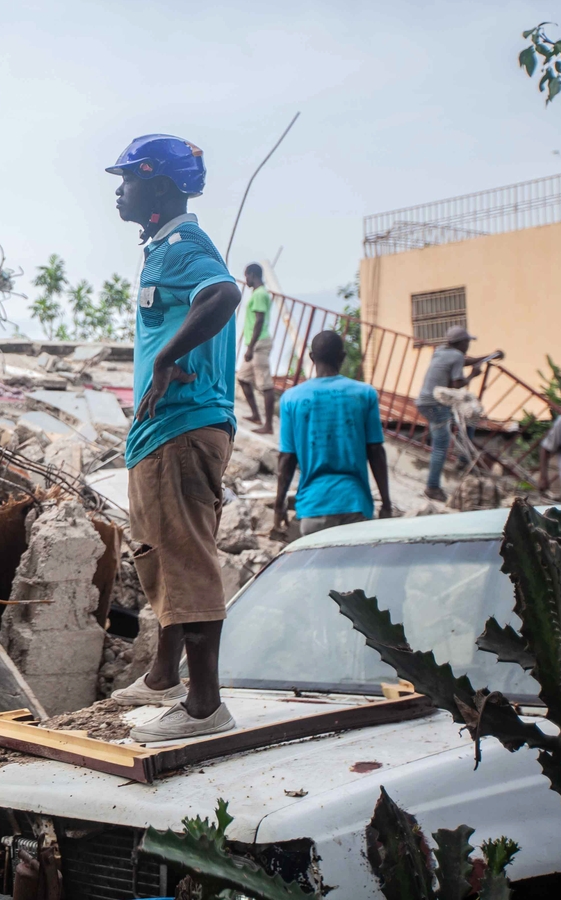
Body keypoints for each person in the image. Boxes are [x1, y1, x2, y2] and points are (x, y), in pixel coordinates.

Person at [102, 134, 242, 741]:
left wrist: (165, 362)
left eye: (129, 178)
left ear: (158, 186)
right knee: (163, 551)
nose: (119, 189)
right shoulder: (162, 249)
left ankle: (205, 706)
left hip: (184, 424)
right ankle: (164, 674)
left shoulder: (185, 245)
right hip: (167, 428)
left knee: (184, 557)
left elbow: (225, 294)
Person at [273, 331, 394, 538]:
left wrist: (279, 506)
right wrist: (386, 503)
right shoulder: (364, 394)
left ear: (312, 357)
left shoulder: (291, 398)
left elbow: (287, 458)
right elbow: (375, 451)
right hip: (355, 505)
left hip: (313, 507)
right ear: (342, 357)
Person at [415, 325, 502, 502]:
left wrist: (488, 356)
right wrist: (473, 376)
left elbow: (464, 360)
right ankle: (432, 487)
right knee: (441, 444)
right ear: (461, 343)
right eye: (467, 342)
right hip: (436, 403)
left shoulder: (441, 351)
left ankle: (463, 458)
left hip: (425, 400)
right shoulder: (456, 356)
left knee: (466, 417)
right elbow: (456, 384)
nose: (468, 344)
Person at [237, 263, 276, 435]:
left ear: (252, 274)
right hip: (255, 343)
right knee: (243, 378)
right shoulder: (259, 293)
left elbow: (259, 320)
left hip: (258, 343)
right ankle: (256, 415)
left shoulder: (260, 294)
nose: (246, 280)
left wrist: (251, 347)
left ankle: (268, 426)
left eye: (246, 276)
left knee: (265, 384)